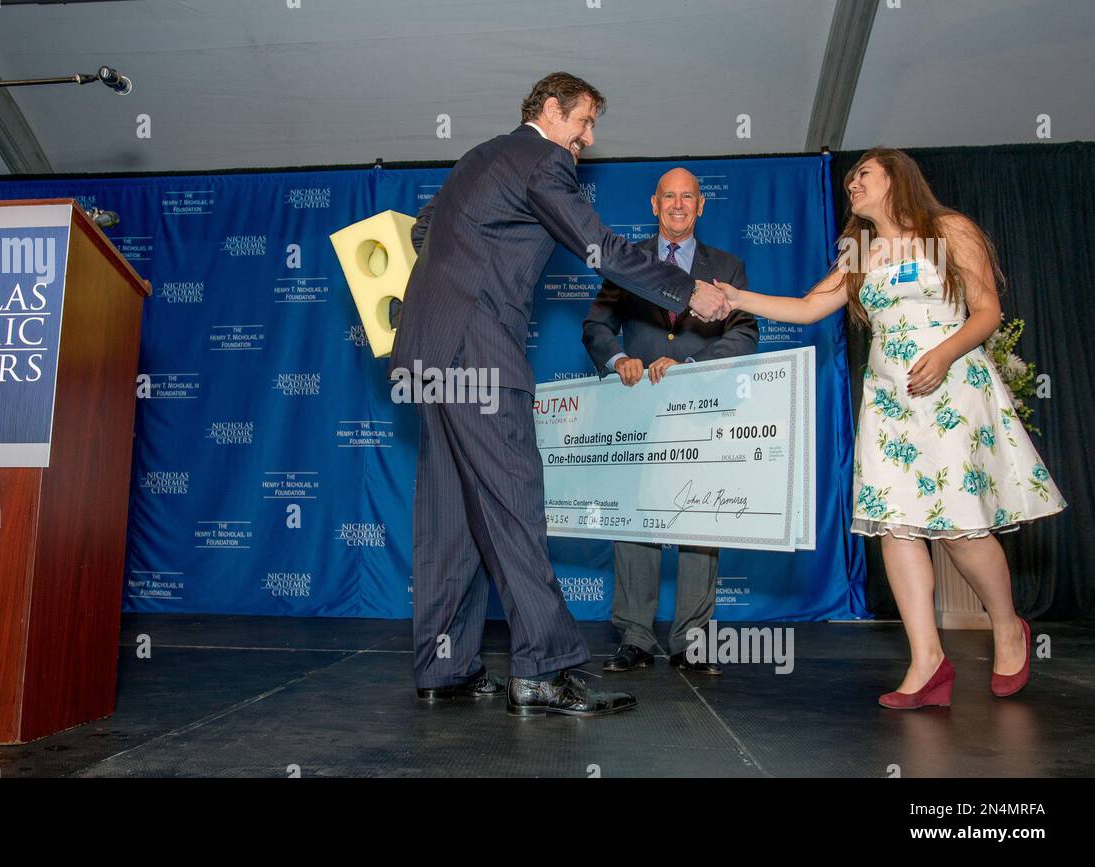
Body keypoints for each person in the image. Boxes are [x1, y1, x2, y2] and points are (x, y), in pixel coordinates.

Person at [391, 72, 729, 717]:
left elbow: (423, 230)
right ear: (551, 110)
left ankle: (444, 667)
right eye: (584, 122)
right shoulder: (543, 158)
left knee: (450, 513)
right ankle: (543, 671)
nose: (587, 138)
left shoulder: (479, 157)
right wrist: (686, 290)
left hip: (430, 356)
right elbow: (598, 246)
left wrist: (467, 271)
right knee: (514, 502)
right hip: (481, 353)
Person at [713, 148, 1065, 708]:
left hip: (950, 387)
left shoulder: (948, 229)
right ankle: (927, 660)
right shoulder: (860, 251)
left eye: (864, 174)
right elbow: (808, 307)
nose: (852, 183)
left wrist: (946, 354)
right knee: (895, 523)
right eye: (851, 177)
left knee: (959, 525)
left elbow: (987, 310)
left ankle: (1006, 627)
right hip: (889, 401)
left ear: (896, 179)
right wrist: (735, 296)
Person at [582, 167, 758, 676]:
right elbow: (597, 325)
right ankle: (635, 638)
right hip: (636, 411)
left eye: (687, 197)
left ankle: (692, 641)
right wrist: (619, 362)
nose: (678, 205)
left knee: (700, 519)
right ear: (653, 205)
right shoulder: (627, 261)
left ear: (701, 205)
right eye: (669, 197)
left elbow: (744, 335)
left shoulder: (727, 265)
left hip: (702, 411)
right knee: (636, 520)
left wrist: (692, 369)